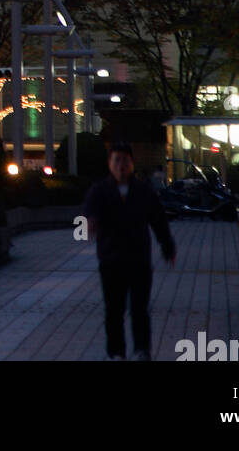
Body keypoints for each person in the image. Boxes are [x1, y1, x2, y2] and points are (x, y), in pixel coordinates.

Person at [83, 141, 176, 361]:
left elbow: (159, 221)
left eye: (125, 160)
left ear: (132, 164)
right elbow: (87, 217)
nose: (121, 165)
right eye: (117, 160)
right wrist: (89, 226)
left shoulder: (144, 191)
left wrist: (168, 246)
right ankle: (116, 352)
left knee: (139, 309)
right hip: (110, 260)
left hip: (138, 260)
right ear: (109, 164)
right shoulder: (99, 191)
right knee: (113, 311)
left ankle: (141, 350)